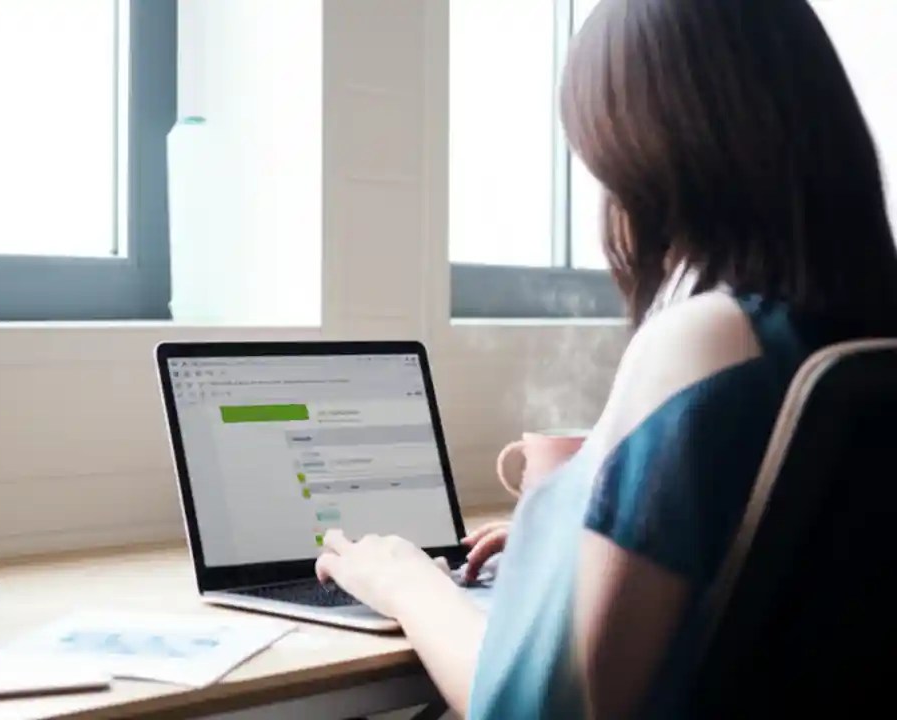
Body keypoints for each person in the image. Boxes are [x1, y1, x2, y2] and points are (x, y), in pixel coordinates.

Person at [313, 0, 897, 717]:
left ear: (653, 153)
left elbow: (542, 711)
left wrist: (406, 583)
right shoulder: (848, 346)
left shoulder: (701, 339)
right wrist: (553, 542)